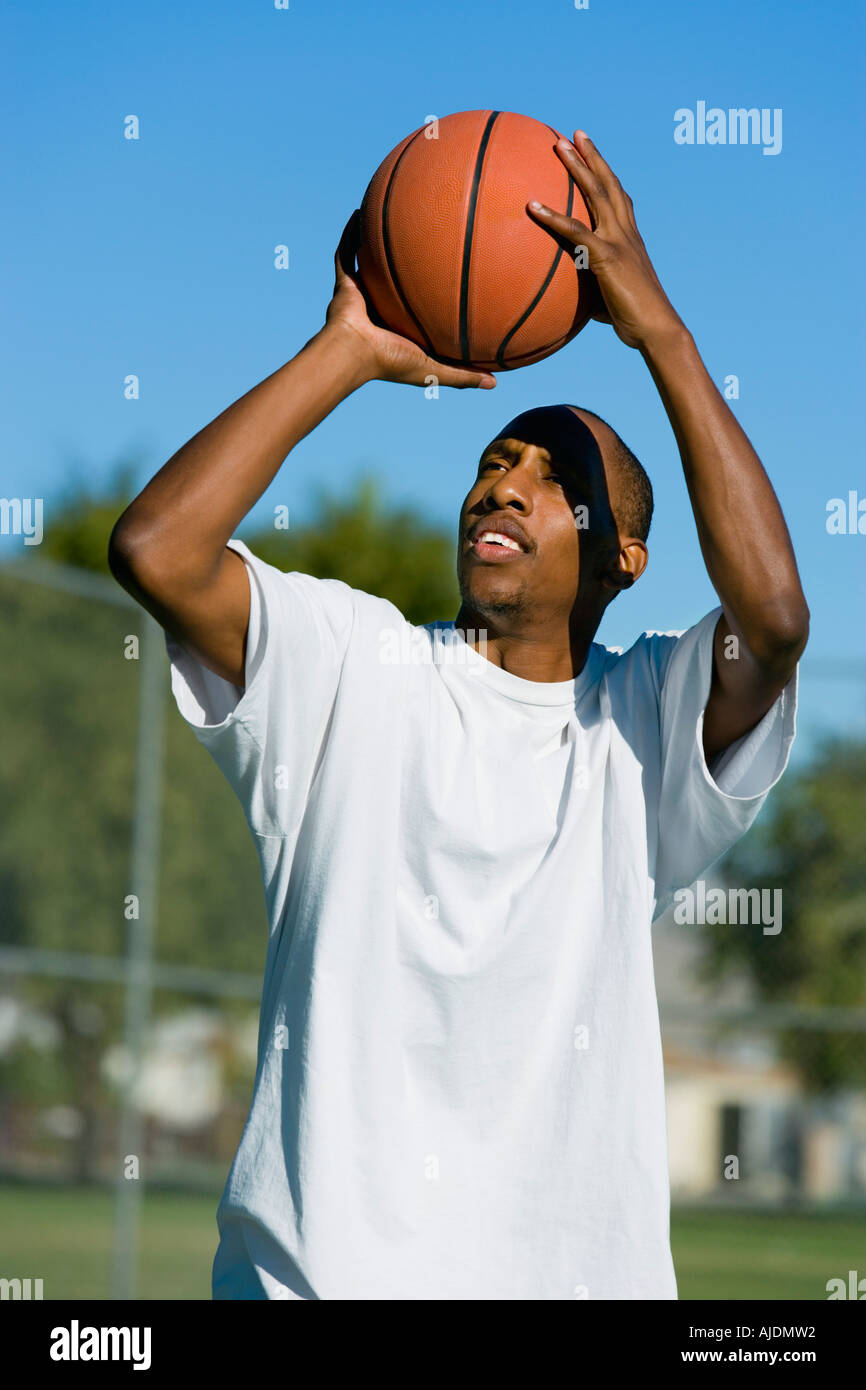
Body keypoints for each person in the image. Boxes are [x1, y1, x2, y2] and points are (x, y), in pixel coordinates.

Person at [108, 131, 808, 1299]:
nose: (503, 485)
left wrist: (661, 334)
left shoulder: (642, 725)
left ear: (623, 556)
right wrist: (341, 351)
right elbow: (156, 550)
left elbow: (774, 617)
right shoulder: (350, 667)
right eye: (494, 460)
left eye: (552, 481)